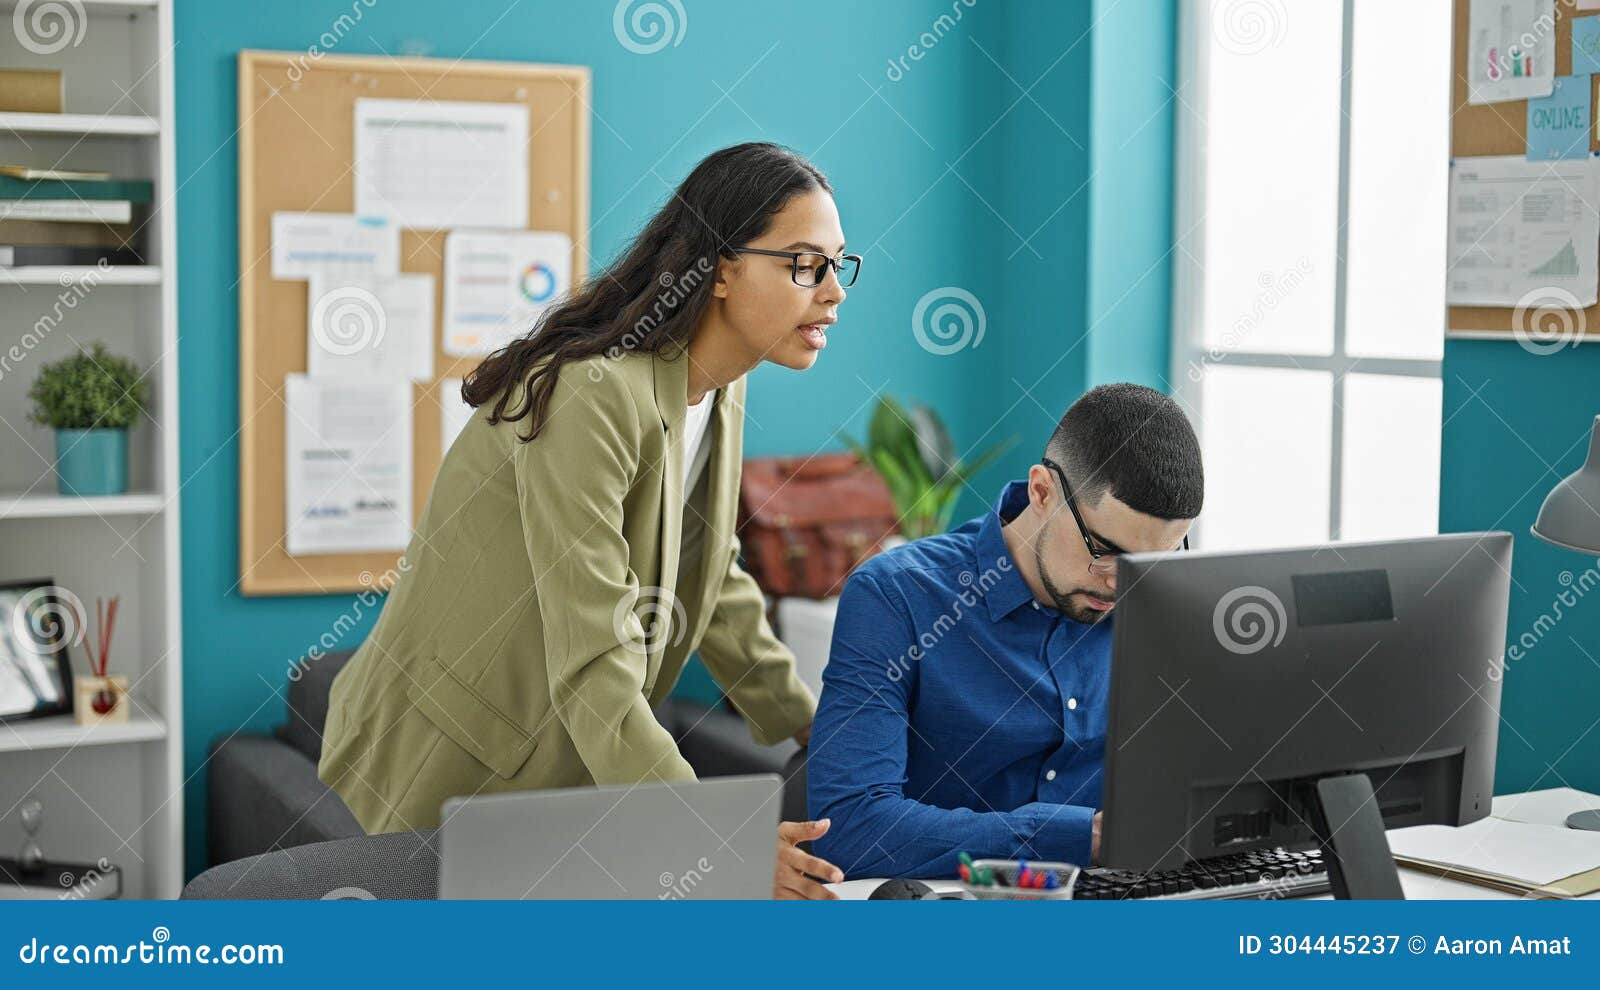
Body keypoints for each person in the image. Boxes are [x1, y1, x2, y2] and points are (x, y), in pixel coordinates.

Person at [319, 142, 861, 899]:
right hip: (456, 758)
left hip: (566, 761)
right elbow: (592, 653)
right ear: (724, 268)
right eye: (806, 264)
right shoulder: (595, 396)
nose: (834, 291)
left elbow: (712, 579)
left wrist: (815, 726)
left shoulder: (719, 389)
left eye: (840, 264)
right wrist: (717, 840)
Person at [807, 383, 1203, 879]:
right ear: (1042, 492)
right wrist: (1080, 838)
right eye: (1105, 550)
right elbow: (849, 828)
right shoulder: (897, 596)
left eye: (1153, 560)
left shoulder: (1168, 598)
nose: (1123, 584)